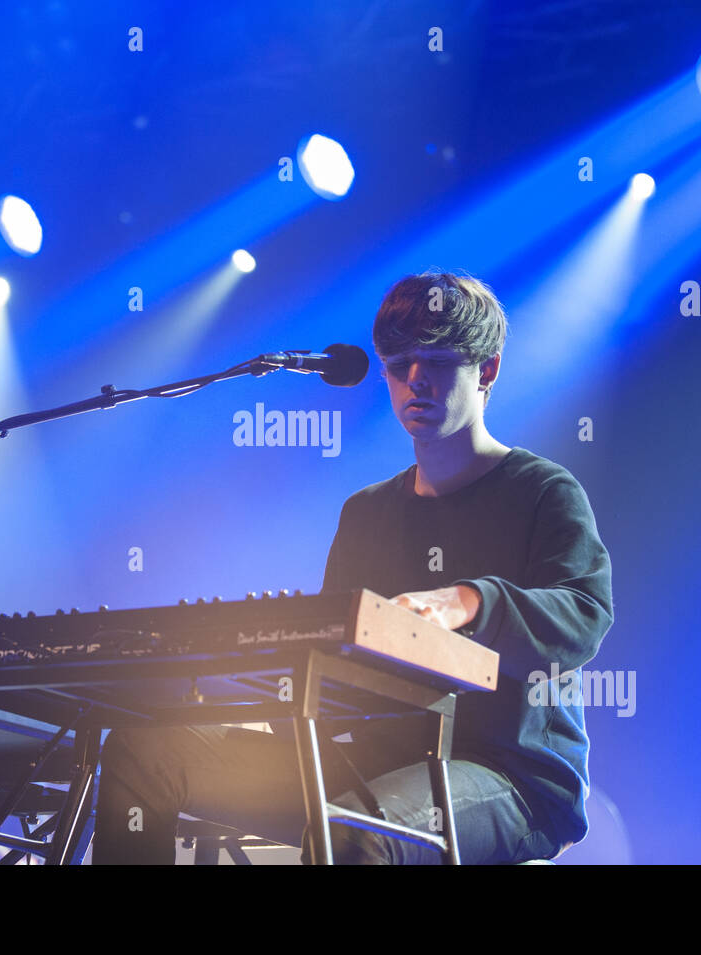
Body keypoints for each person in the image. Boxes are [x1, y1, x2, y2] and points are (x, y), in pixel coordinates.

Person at [91, 270, 614, 864]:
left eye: (438, 361)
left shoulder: (543, 490)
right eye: (399, 363)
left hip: (510, 777)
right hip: (368, 762)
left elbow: (584, 617)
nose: (415, 379)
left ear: (487, 370)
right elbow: (332, 661)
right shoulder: (366, 512)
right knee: (148, 751)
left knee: (361, 829)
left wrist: (465, 600)